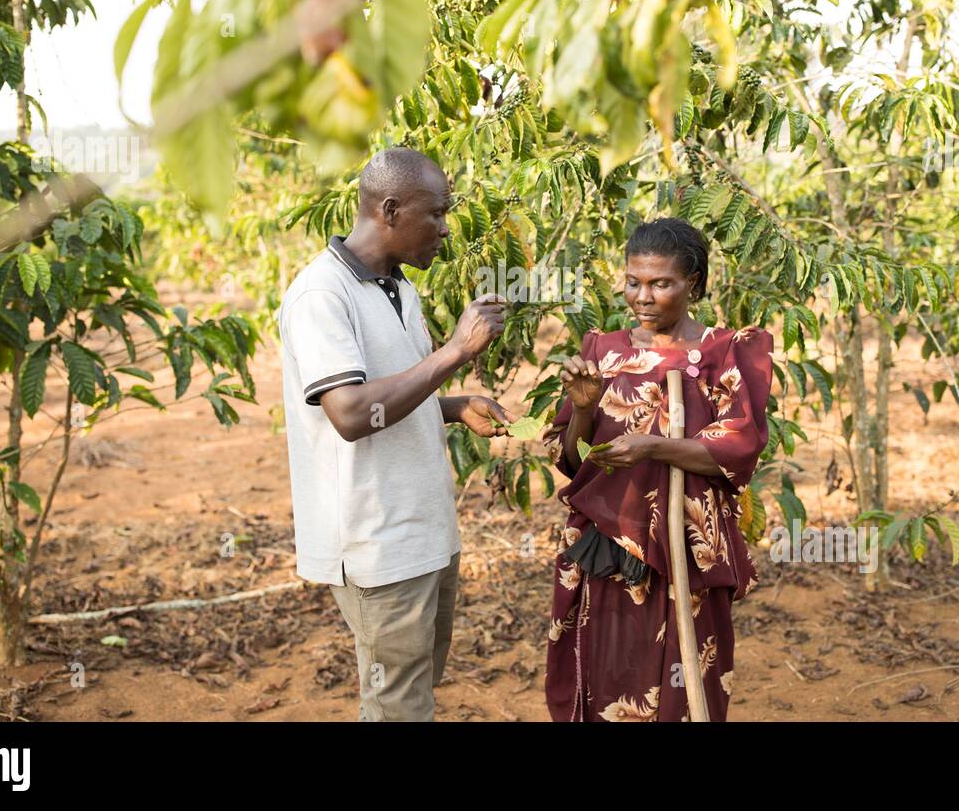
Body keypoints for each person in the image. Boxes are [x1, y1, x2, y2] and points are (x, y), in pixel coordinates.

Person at [278, 146, 510, 721]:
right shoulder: (320, 295)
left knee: (412, 695)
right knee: (396, 706)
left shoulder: (397, 287)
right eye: (436, 214)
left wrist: (453, 409)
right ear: (389, 209)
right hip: (376, 544)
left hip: (425, 533)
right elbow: (353, 414)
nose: (445, 229)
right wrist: (457, 351)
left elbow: (394, 396)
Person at [541, 216, 773, 721]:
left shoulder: (726, 352)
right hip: (607, 547)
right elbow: (574, 462)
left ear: (692, 283)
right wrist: (582, 408)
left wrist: (653, 447)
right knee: (609, 672)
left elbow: (738, 447)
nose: (643, 297)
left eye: (661, 284)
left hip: (686, 548)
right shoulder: (603, 351)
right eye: (633, 282)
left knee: (685, 683)